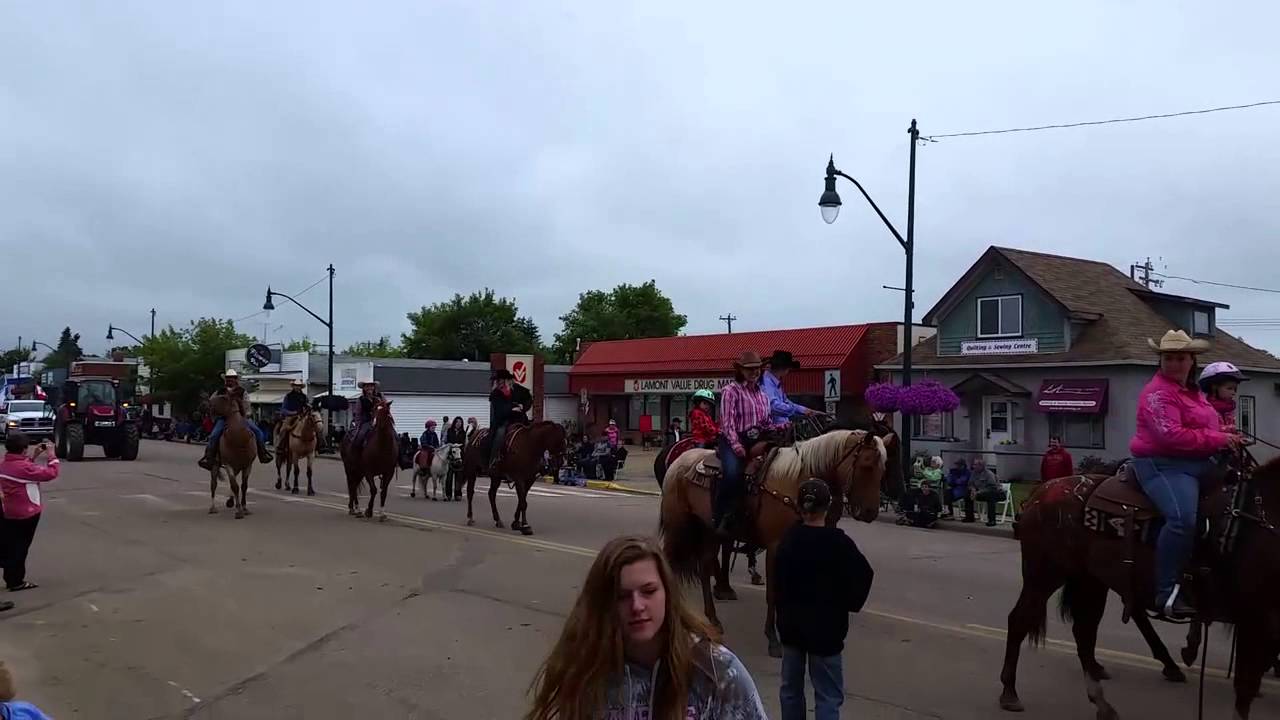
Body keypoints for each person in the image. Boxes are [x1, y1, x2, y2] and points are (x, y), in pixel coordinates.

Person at [525, 535, 767, 720]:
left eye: (649, 591)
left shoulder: (718, 671)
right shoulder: (587, 669)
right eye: (622, 596)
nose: (637, 606)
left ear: (668, 593)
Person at [1130, 330, 1239, 618]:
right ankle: (1166, 593)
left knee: (1241, 501)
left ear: (1192, 360)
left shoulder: (1193, 393)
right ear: (1160, 360)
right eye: (1168, 358)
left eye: (1181, 358)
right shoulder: (1157, 393)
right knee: (1182, 520)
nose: (1175, 363)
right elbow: (1170, 435)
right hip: (1163, 464)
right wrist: (1219, 439)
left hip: (1198, 462)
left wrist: (1226, 434)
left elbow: (1206, 426)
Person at [776, 479, 875, 720]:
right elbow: (864, 575)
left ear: (799, 507)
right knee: (828, 696)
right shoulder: (839, 543)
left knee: (790, 690)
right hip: (826, 632)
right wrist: (848, 603)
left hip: (792, 629)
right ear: (828, 507)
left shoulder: (789, 539)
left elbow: (778, 582)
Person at [714, 351, 781, 535]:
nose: (754, 372)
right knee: (732, 473)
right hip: (732, 439)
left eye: (757, 368)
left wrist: (779, 427)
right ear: (741, 370)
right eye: (750, 369)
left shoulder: (763, 395)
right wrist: (736, 445)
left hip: (757, 439)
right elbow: (727, 423)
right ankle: (723, 515)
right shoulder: (730, 391)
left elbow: (766, 422)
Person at [0, 432, 58, 592]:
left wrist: (34, 456)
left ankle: (11, 575)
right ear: (24, 449)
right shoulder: (23, 468)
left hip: (8, 510)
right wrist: (51, 455)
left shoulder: (5, 464)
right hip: (26, 512)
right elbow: (51, 473)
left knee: (11, 544)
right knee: (20, 547)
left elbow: (25, 470)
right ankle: (15, 580)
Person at [198, 369, 272, 470]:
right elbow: (212, 402)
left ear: (236, 379)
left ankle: (263, 454)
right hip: (224, 418)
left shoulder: (242, 391)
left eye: (232, 378)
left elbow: (247, 404)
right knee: (214, 435)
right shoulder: (219, 391)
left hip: (241, 417)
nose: (230, 380)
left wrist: (246, 413)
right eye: (228, 378)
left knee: (258, 432)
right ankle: (209, 457)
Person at [488, 370, 532, 470]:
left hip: (520, 419)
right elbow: (499, 410)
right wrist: (512, 409)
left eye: (500, 380)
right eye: (497, 380)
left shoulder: (518, 389)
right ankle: (494, 460)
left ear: (507, 380)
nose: (498, 382)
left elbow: (528, 399)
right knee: (499, 434)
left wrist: (523, 406)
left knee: (533, 433)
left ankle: (538, 461)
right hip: (504, 420)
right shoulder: (496, 394)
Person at [762, 350, 817, 427]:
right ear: (785, 368)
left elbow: (786, 402)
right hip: (773, 428)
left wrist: (804, 410)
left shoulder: (774, 382)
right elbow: (773, 406)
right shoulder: (767, 382)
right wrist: (800, 410)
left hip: (780, 426)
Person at [1199, 361, 1247, 431]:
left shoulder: (1229, 410)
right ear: (1214, 387)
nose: (1233, 392)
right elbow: (1206, 432)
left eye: (1235, 389)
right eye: (1229, 388)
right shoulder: (1204, 410)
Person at [966, 458, 1004, 526]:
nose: (973, 466)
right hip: (981, 493)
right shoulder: (974, 473)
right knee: (967, 494)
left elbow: (992, 487)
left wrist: (979, 492)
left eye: (975, 464)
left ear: (981, 466)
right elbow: (970, 484)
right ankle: (969, 517)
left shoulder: (989, 474)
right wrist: (973, 489)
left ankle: (992, 520)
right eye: (974, 464)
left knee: (991, 496)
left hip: (996, 494)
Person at [276, 379, 311, 449]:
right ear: (293, 386)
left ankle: (319, 445)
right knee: (284, 429)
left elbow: (307, 405)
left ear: (301, 387)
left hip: (302, 416)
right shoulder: (288, 396)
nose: (297, 387)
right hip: (290, 416)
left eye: (299, 386)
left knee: (314, 426)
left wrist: (308, 408)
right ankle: (280, 446)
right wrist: (293, 413)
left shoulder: (304, 397)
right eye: (296, 385)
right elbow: (283, 409)